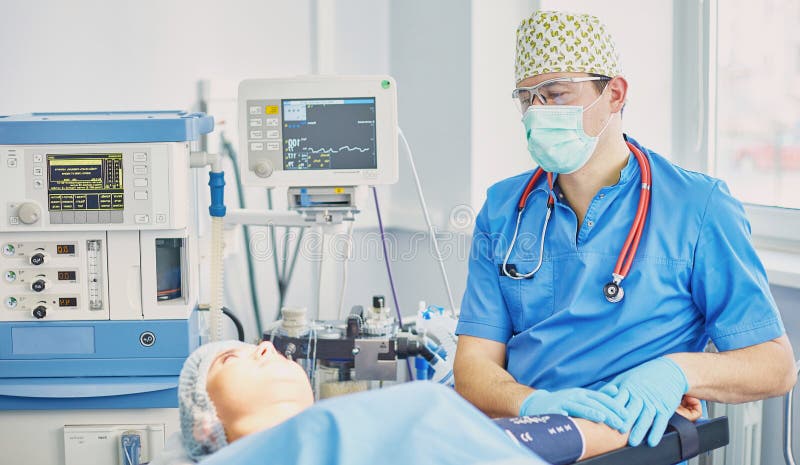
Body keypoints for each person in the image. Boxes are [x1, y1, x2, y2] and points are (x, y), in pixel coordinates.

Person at [454, 9, 796, 450]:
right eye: (526, 98)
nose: (537, 113)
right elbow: (473, 364)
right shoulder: (504, 210)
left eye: (556, 94)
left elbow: (775, 365)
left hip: (629, 446)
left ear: (614, 94)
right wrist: (534, 403)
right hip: (525, 439)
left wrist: (677, 371)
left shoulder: (698, 207)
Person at [169, 340, 703, 465]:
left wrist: (653, 408)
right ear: (207, 419)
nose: (264, 345)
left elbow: (541, 440)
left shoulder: (389, 418)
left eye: (258, 342)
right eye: (229, 358)